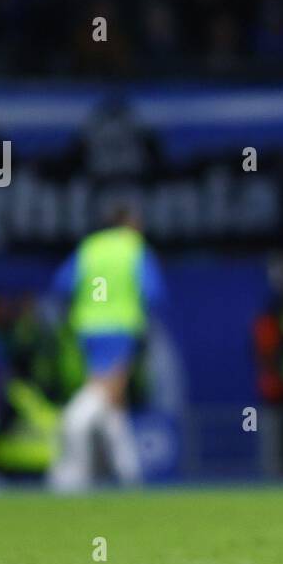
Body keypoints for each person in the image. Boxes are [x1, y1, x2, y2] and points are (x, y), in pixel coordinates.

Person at [47, 206, 164, 491]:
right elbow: (153, 291)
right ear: (128, 223)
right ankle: (68, 470)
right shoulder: (133, 247)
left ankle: (127, 471)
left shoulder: (90, 247)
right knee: (104, 391)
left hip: (87, 327)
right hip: (120, 327)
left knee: (113, 403)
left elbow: (62, 284)